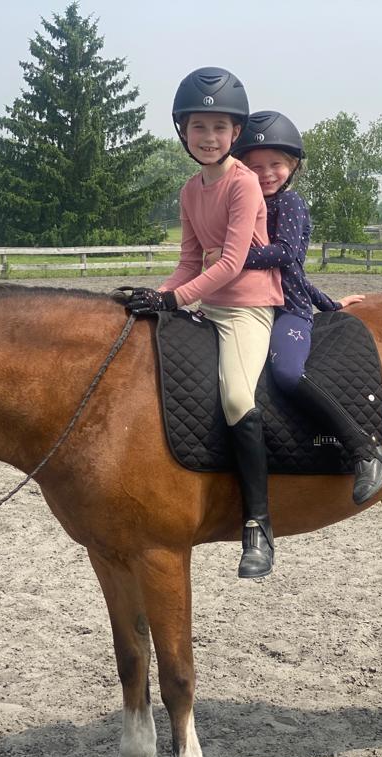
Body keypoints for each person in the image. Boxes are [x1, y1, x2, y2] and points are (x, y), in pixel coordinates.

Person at [126, 67, 283, 579]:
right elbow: (188, 263)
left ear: (235, 133)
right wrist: (157, 295)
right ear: (184, 132)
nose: (209, 137)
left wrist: (176, 299)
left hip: (246, 307)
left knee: (237, 397)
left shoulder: (244, 185)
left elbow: (232, 263)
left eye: (219, 127)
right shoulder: (190, 191)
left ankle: (258, 525)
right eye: (199, 127)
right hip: (204, 303)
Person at [206, 110, 382, 506]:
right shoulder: (245, 203)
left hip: (286, 310)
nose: (266, 173)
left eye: (275, 164)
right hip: (248, 307)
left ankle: (364, 449)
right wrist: (330, 302)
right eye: (255, 166)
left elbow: (287, 256)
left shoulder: (289, 203)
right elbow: (295, 274)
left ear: (293, 166)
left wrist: (231, 257)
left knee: (288, 374)